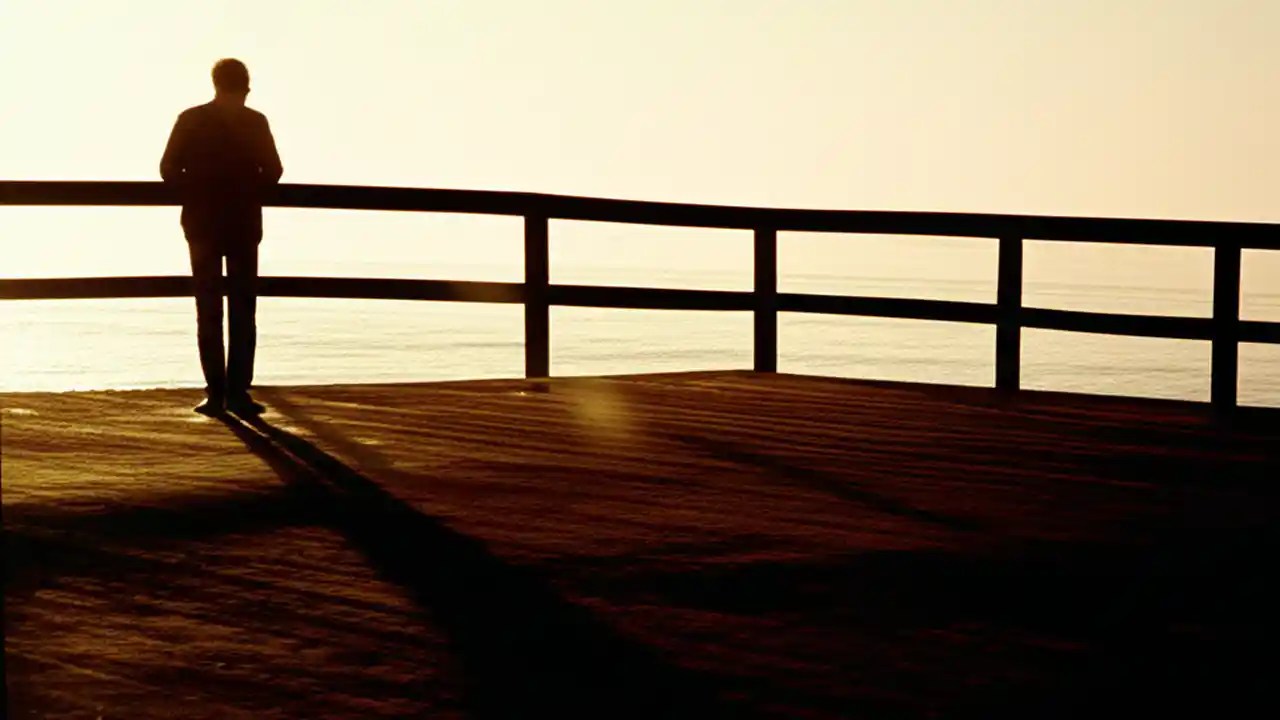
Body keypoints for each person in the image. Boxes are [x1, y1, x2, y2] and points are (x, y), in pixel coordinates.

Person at [160, 58, 282, 416]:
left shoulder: (191, 119)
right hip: (244, 223)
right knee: (244, 308)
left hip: (201, 224)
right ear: (246, 87)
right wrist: (245, 189)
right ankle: (238, 392)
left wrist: (198, 190)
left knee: (208, 309)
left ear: (215, 85)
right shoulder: (255, 122)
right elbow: (274, 170)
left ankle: (215, 393)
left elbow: (168, 168)